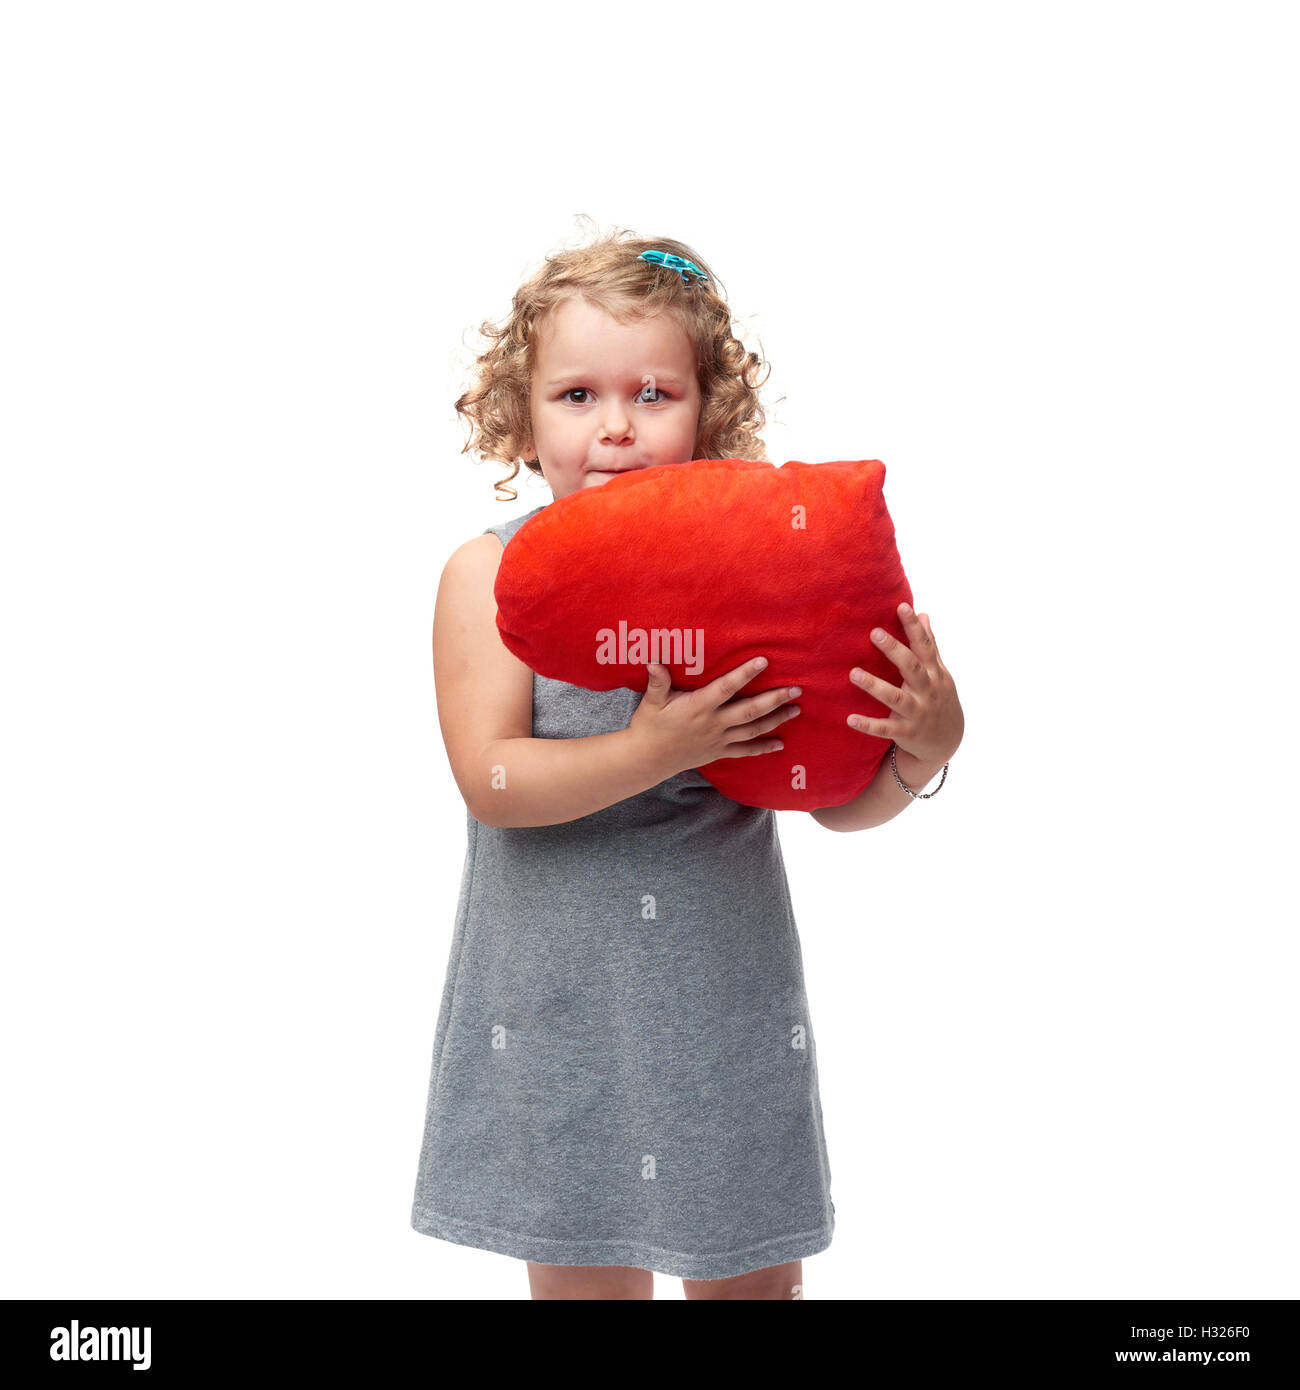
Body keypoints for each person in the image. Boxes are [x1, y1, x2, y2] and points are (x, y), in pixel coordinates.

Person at [410, 221, 965, 1299]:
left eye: (653, 395)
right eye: (576, 396)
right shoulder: (485, 578)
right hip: (553, 1006)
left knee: (753, 1281)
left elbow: (827, 799)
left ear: (709, 410)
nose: (614, 428)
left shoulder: (761, 581)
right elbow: (492, 782)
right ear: (520, 414)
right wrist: (656, 746)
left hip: (721, 1000)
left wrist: (919, 753)